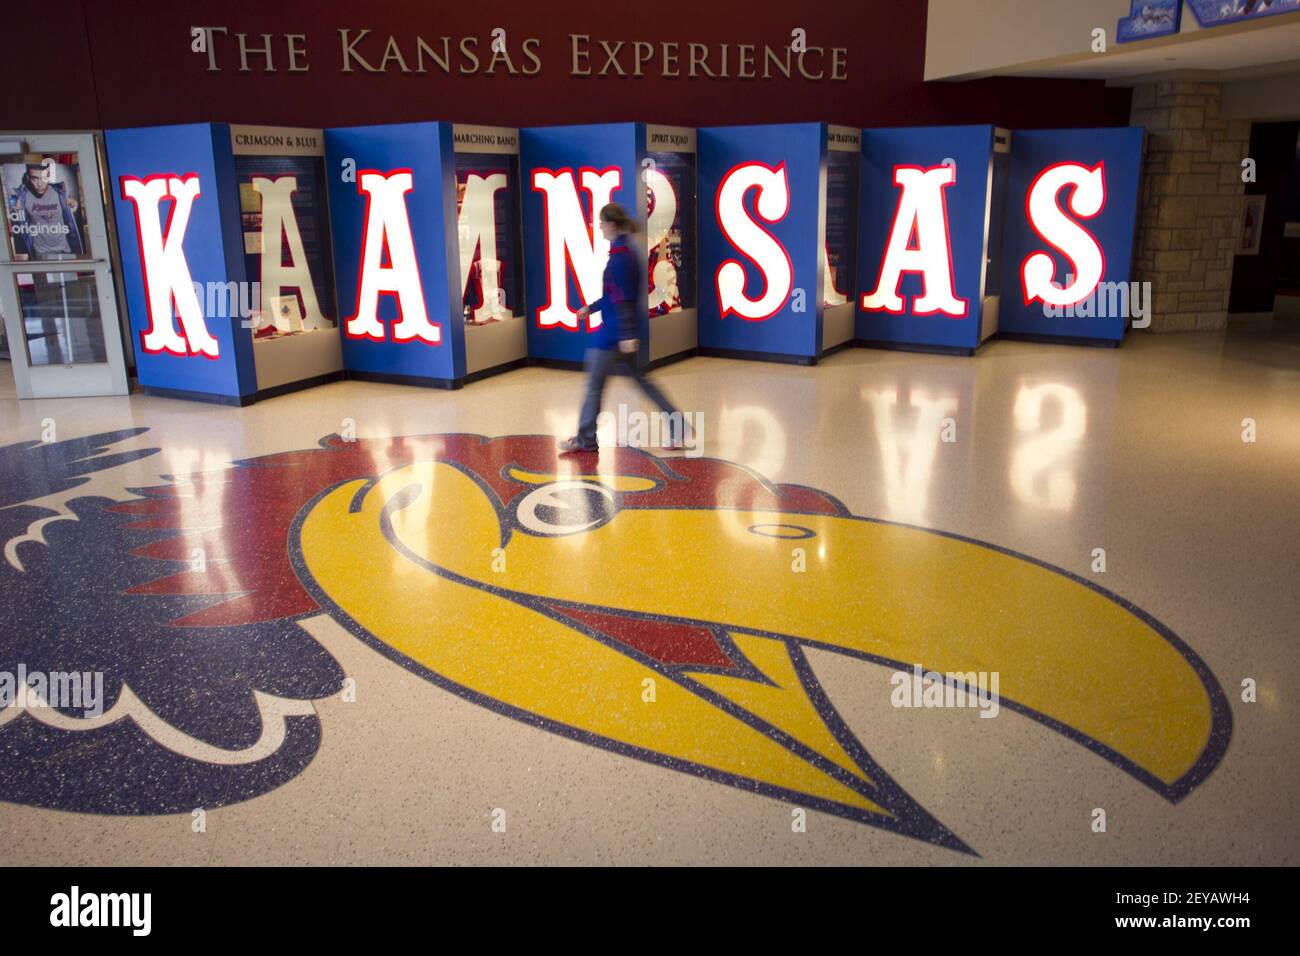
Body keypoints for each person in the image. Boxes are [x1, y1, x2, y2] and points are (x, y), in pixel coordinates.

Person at [559, 203, 688, 454]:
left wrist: (626, 334)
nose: (599, 227)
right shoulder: (625, 253)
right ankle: (678, 426)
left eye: (601, 222)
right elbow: (613, 296)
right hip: (623, 333)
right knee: (642, 381)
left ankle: (586, 439)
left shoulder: (621, 259)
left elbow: (623, 299)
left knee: (594, 385)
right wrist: (591, 308)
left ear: (611, 224)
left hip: (612, 336)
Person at [10, 158, 84, 260]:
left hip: (65, 251)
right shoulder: (22, 198)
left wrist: (74, 206)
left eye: (43, 177)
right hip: (40, 254)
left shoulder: (61, 194)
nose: (40, 184)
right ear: (28, 177)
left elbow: (73, 219)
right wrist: (15, 213)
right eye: (34, 178)